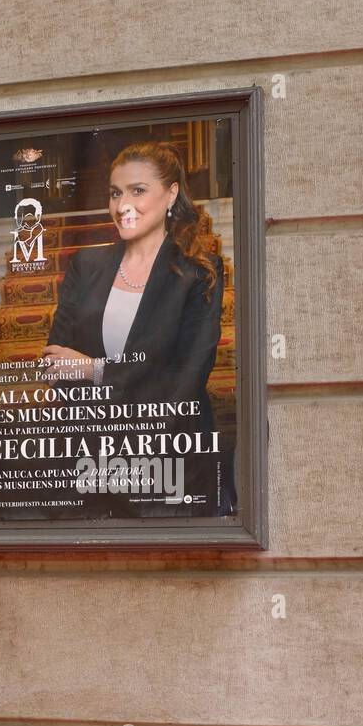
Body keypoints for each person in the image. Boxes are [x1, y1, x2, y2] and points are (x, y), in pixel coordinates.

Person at [42, 141, 234, 516]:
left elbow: (187, 375)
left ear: (171, 194)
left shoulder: (200, 271)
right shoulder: (87, 264)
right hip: (94, 461)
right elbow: (53, 363)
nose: (121, 205)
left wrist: (93, 370)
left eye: (138, 191)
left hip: (169, 459)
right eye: (116, 193)